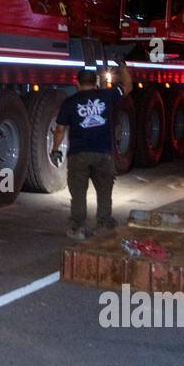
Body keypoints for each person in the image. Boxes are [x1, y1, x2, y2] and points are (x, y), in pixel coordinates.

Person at [51, 62, 133, 240]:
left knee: (78, 191)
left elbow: (60, 129)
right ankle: (103, 223)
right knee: (104, 189)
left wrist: (55, 149)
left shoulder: (70, 102)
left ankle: (77, 227)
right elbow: (127, 87)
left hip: (79, 154)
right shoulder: (107, 96)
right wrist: (123, 68)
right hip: (103, 153)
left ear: (77, 84)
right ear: (96, 82)